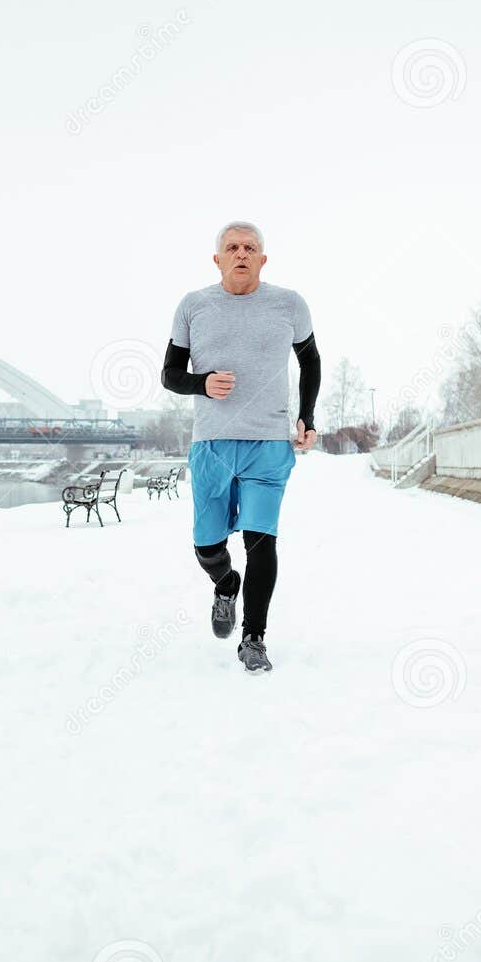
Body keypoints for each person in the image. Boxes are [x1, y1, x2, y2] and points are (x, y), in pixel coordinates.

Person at [161, 221, 320, 672]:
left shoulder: (289, 304)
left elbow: (310, 358)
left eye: (251, 247)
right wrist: (202, 383)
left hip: (268, 444)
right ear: (218, 259)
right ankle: (225, 583)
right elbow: (169, 374)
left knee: (261, 540)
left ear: (263, 259)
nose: (242, 253)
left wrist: (307, 413)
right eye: (232, 247)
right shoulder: (194, 306)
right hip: (211, 443)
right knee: (206, 546)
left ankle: (253, 638)